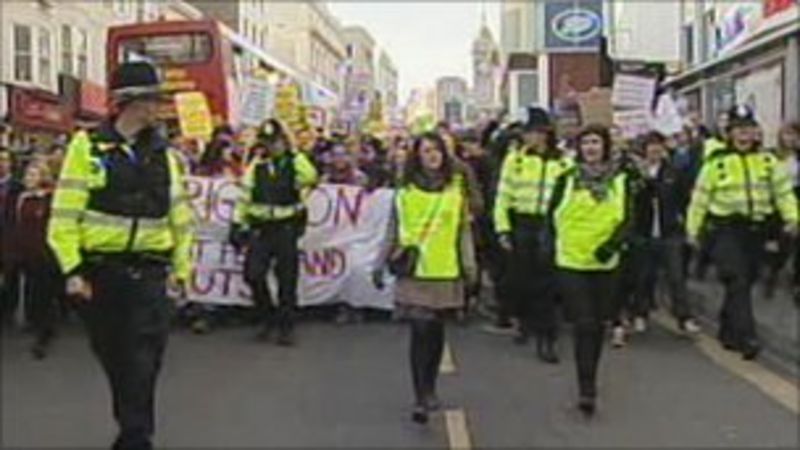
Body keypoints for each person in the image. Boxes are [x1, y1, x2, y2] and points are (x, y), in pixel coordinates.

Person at [47, 61, 194, 450]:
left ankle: (135, 438)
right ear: (131, 102)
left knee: (145, 363)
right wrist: (72, 269)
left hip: (150, 275)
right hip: (101, 275)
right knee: (117, 361)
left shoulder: (166, 155)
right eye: (153, 99)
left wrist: (182, 268)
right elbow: (64, 214)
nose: (159, 107)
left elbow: (180, 216)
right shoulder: (87, 147)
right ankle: (131, 428)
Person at [379, 132, 476, 424]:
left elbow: (463, 232)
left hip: (444, 271)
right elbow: (392, 230)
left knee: (435, 332)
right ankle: (420, 395)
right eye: (426, 151)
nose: (432, 156)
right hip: (413, 271)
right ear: (416, 157)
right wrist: (379, 262)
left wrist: (470, 267)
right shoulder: (405, 190)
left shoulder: (455, 189)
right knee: (420, 329)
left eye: (437, 151)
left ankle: (430, 385)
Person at [686, 105, 798, 360]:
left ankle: (728, 329)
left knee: (745, 282)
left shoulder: (769, 162)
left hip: (756, 230)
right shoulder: (716, 164)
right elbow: (700, 199)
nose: (744, 136)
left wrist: (793, 218)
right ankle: (748, 336)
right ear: (729, 133)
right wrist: (692, 230)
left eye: (748, 130)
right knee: (736, 278)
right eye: (738, 130)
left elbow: (783, 193)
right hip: (725, 230)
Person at [548, 124, 633, 417]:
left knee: (597, 325)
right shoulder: (567, 179)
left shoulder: (621, 180)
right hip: (571, 262)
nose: (591, 148)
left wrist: (612, 245)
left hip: (605, 262)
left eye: (596, 142)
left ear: (605, 147)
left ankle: (590, 377)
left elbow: (630, 219)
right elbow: (552, 215)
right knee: (583, 323)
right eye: (586, 143)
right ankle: (586, 389)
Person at [230, 119, 318, 346]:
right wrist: (237, 223)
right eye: (268, 142)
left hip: (286, 227)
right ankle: (267, 317)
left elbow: (310, 177)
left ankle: (286, 326)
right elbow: (245, 196)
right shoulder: (256, 166)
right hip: (261, 227)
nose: (273, 147)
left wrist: (294, 152)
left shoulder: (294, 163)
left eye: (277, 142)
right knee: (253, 274)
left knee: (287, 279)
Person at [494, 107, 570, 362]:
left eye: (530, 132)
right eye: (525, 133)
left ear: (544, 133)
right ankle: (524, 323)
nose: (526, 137)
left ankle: (547, 338)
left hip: (550, 225)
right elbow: (503, 196)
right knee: (522, 278)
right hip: (522, 223)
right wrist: (503, 228)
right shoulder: (515, 159)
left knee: (547, 283)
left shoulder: (563, 161)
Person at [629, 132, 700, 334]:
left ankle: (684, 317)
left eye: (658, 147)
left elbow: (685, 200)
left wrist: (686, 224)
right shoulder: (636, 174)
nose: (654, 151)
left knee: (676, 277)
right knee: (643, 277)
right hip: (644, 232)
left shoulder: (674, 173)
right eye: (650, 147)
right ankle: (640, 313)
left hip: (670, 233)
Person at [10, 163, 62, 358]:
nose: (29, 178)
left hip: (46, 253)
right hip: (26, 253)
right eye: (27, 174)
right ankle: (38, 324)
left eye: (33, 174)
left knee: (45, 293)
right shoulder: (21, 198)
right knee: (33, 292)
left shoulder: (49, 198)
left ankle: (45, 335)